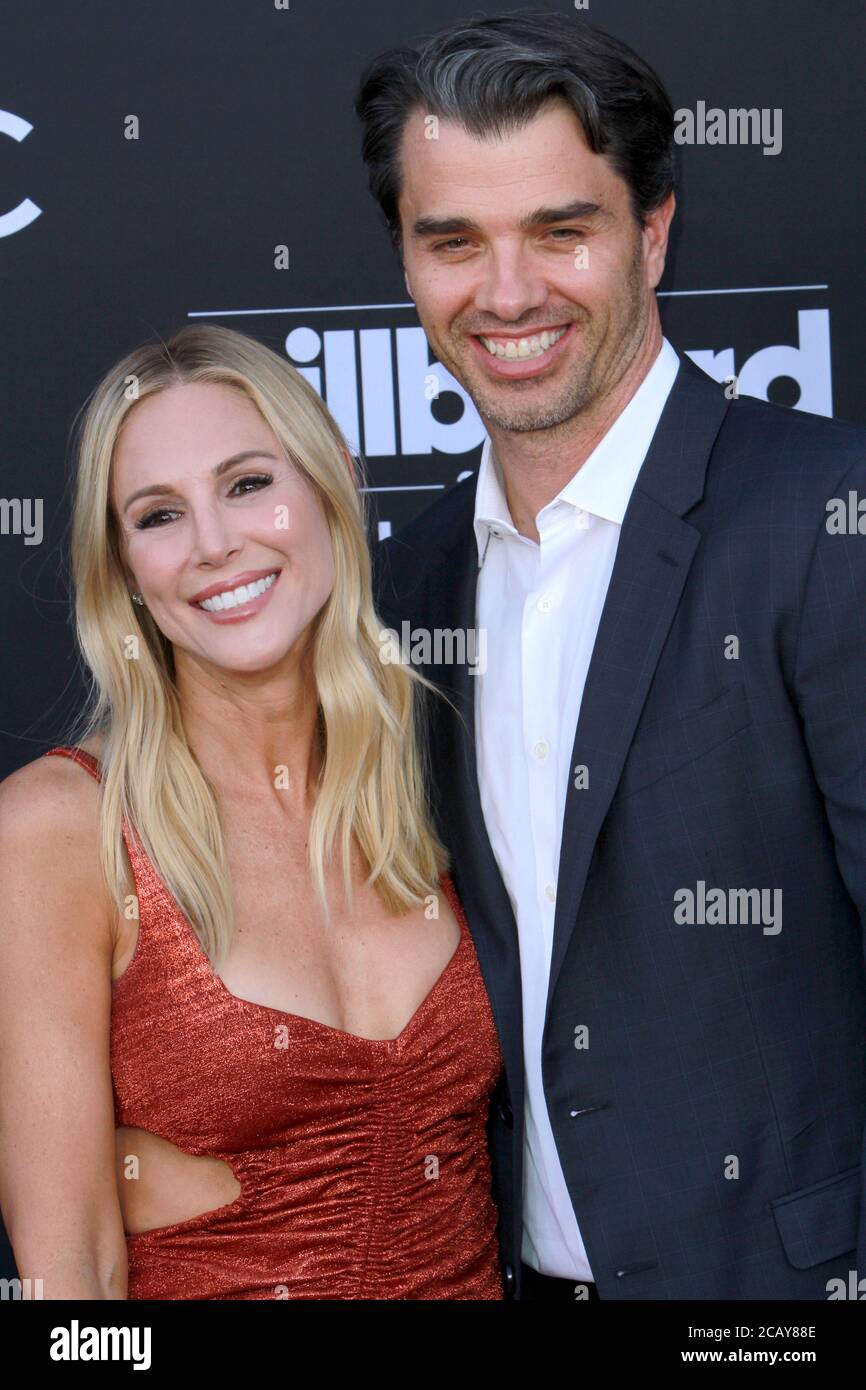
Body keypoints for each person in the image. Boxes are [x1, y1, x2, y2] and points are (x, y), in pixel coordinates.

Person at [356, 11, 866, 1300]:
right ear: (407, 264)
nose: (507, 292)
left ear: (650, 232)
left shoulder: (820, 517)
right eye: (452, 240)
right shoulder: (402, 581)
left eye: (559, 231)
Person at [0, 323, 504, 1300]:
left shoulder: (435, 762)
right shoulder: (60, 831)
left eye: (245, 484)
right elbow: (71, 1272)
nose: (215, 543)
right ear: (126, 574)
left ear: (331, 484)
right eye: (157, 515)